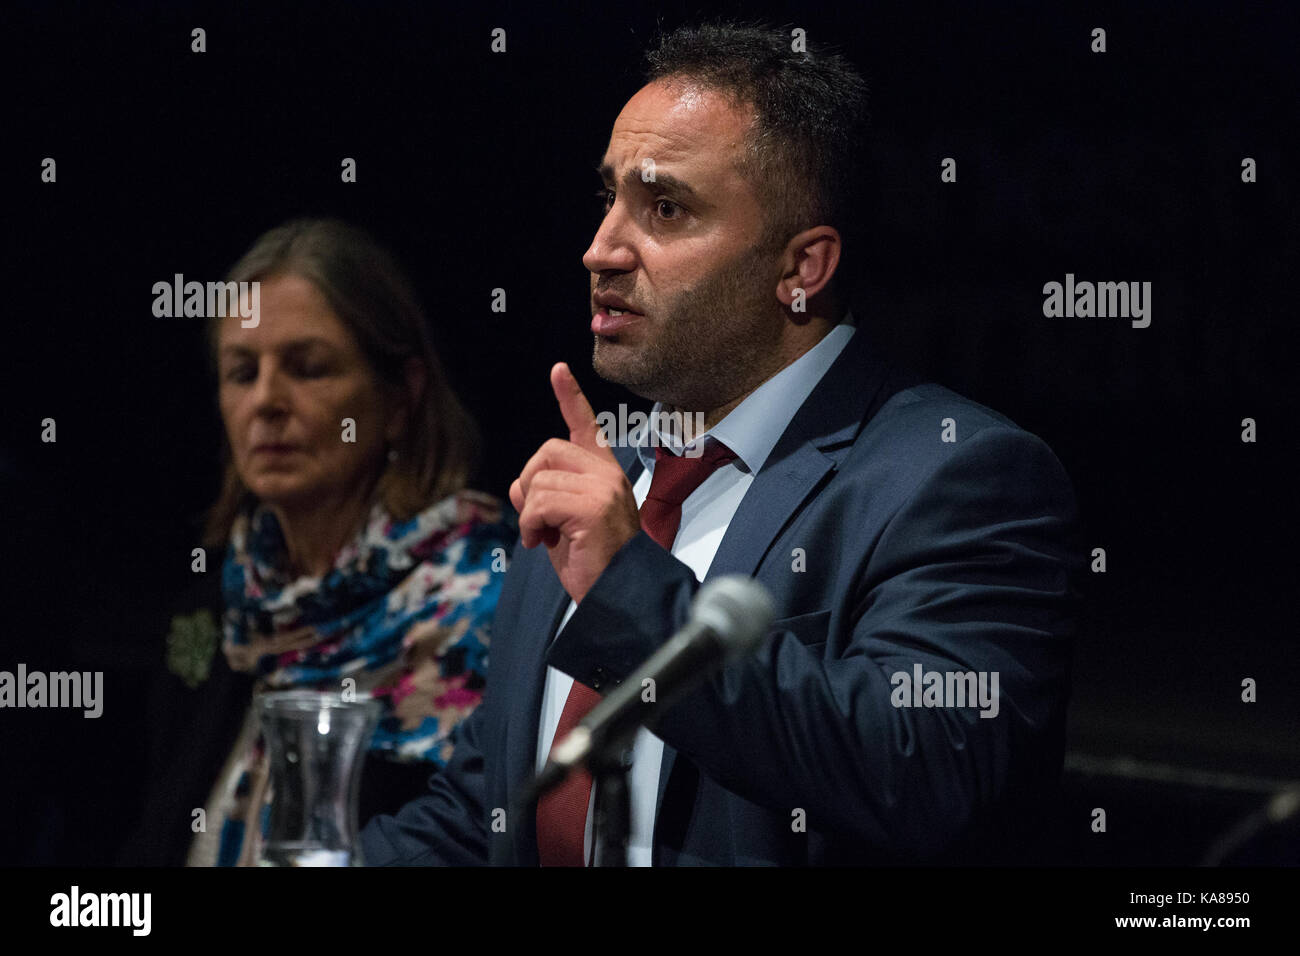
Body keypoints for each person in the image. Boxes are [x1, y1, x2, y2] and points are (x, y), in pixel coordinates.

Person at [361, 21, 1082, 866]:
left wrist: (629, 586)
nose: (600, 250)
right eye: (609, 199)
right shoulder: (599, 478)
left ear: (802, 268)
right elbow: (484, 816)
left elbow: (925, 771)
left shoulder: (959, 478)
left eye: (665, 208)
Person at [120, 218, 515, 866]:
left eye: (308, 369)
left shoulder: (486, 601)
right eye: (242, 373)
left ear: (399, 398)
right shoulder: (221, 611)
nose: (268, 401)